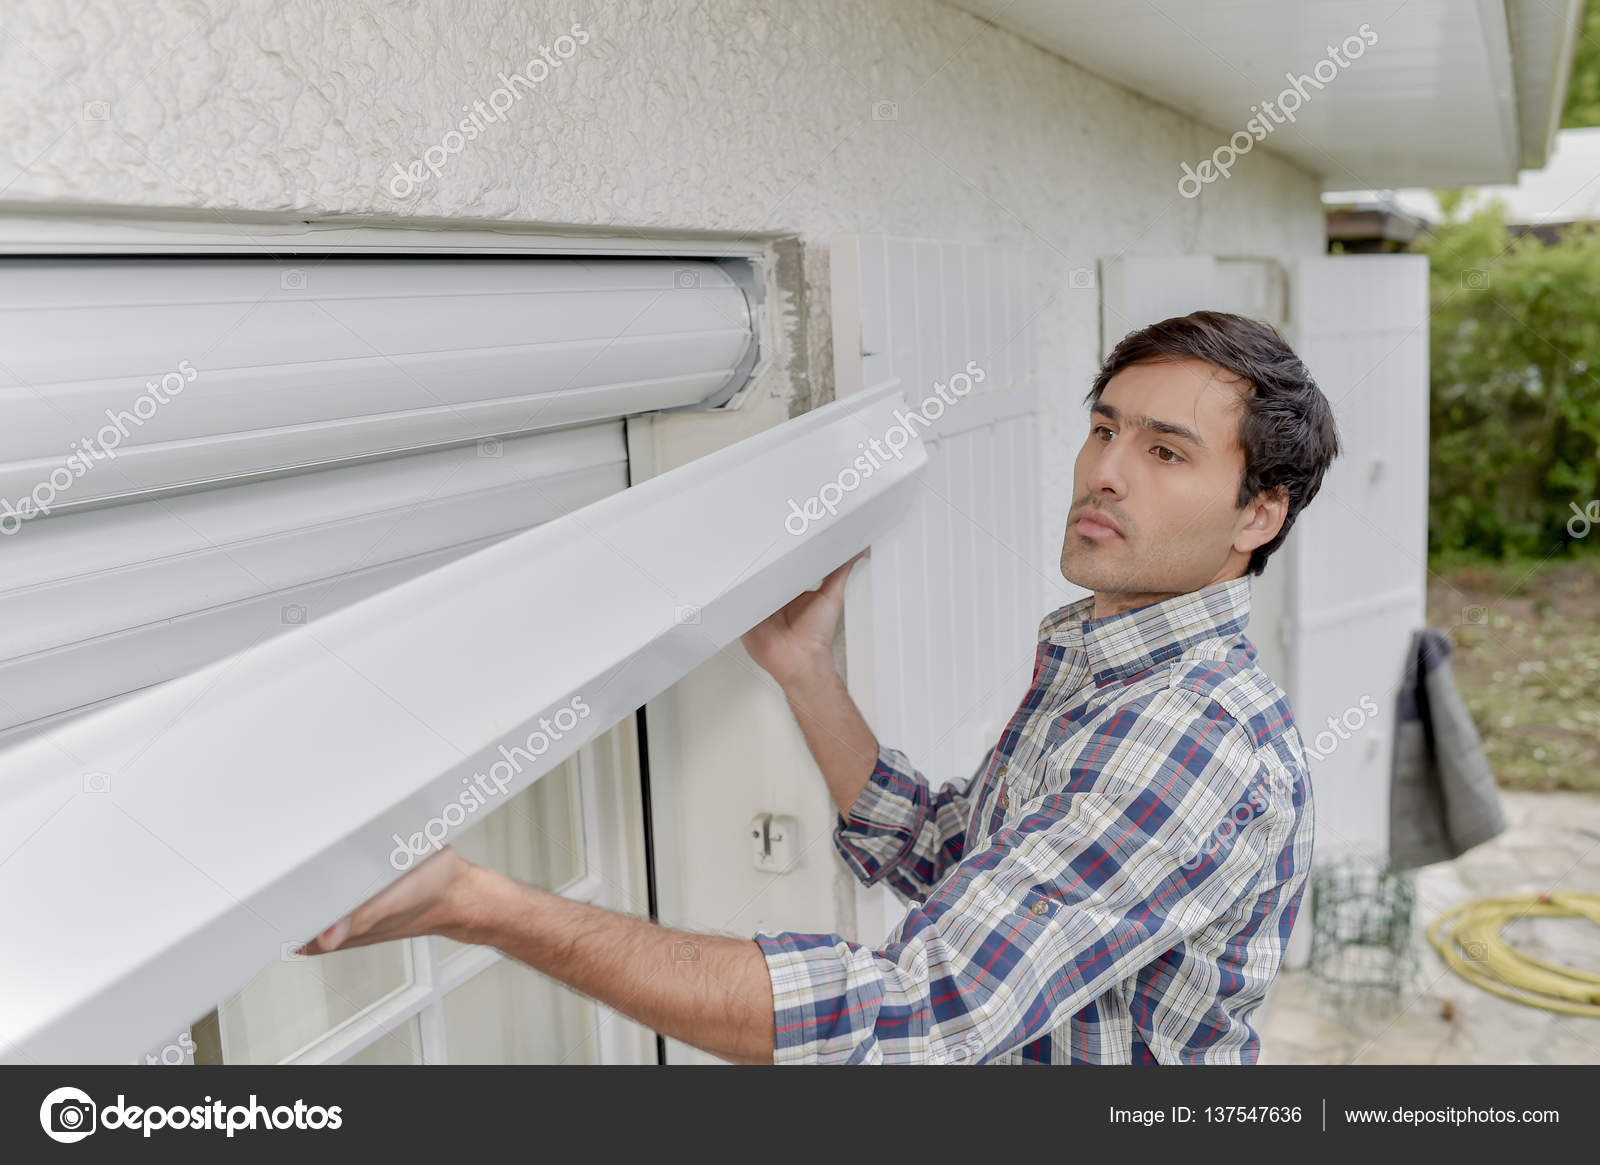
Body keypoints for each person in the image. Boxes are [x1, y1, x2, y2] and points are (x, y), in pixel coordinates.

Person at [300, 310, 1339, 1065]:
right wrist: (805, 674)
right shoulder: (1107, 670)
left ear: (1257, 516)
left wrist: (480, 904)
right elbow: (945, 858)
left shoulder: (1189, 736)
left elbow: (910, 1016)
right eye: (1105, 427)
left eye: (1165, 452)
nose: (1105, 471)